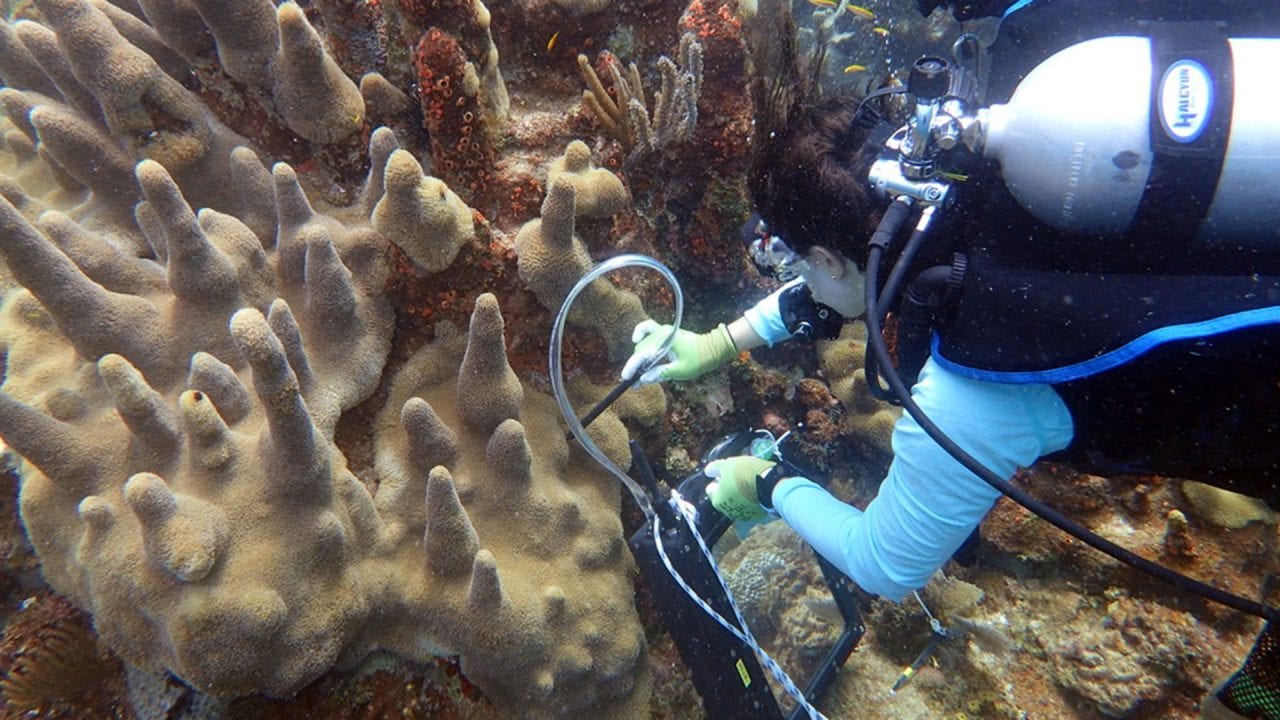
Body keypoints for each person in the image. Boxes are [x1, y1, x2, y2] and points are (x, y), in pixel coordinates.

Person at [621, 1, 1280, 718]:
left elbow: (886, 564)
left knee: (1247, 708)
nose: (796, 277)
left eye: (794, 259)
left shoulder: (975, 388)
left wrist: (768, 481)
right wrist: (717, 344)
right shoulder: (1029, 108)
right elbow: (853, 279)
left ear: (823, 254)